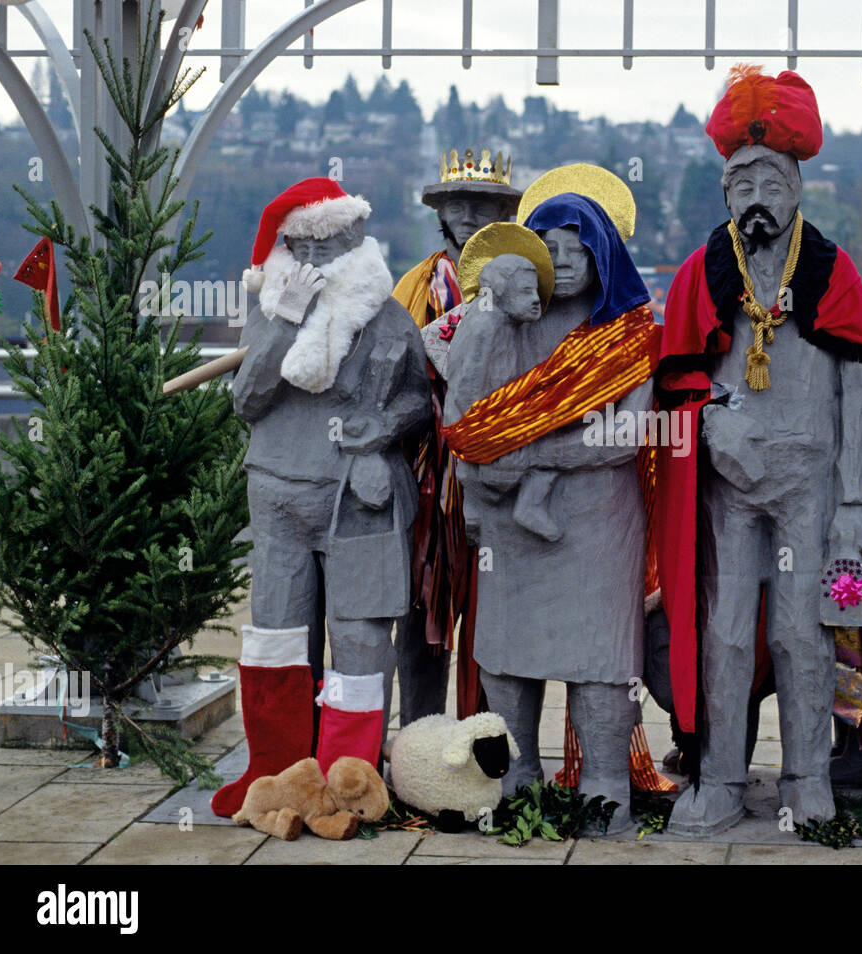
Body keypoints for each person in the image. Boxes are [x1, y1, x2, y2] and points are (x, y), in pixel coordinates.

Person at [654, 65, 862, 835]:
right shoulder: (704, 271)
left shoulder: (829, 269)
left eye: (769, 179)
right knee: (726, 631)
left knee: (804, 630)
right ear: (725, 192)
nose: (755, 195)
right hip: (732, 484)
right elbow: (678, 373)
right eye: (740, 181)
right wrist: (716, 425)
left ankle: (807, 779)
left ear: (796, 185)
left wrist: (854, 500)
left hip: (811, 486)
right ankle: (721, 778)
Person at [212, 177, 431, 817]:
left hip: (359, 501)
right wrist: (281, 321)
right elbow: (247, 400)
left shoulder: (388, 318)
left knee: (361, 637)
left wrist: (386, 426)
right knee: (280, 636)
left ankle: (351, 780)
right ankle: (279, 771)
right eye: (298, 249)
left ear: (355, 242)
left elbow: (421, 399)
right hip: (278, 493)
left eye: (325, 247)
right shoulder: (268, 313)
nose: (311, 262)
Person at [443, 193, 660, 832]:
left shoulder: (630, 334)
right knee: (509, 649)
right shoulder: (498, 323)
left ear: (606, 255)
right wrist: (489, 480)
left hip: (599, 521)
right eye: (549, 249)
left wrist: (531, 452)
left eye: (578, 248)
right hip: (509, 521)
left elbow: (627, 434)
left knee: (601, 655)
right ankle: (517, 776)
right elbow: (467, 419)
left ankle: (604, 783)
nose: (563, 262)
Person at [391, 148, 521, 725]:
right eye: (460, 202)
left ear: (505, 214)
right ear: (440, 211)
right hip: (428, 474)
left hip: (502, 471)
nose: (470, 213)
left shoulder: (525, 286)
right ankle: (418, 745)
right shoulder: (413, 285)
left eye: (486, 204)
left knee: (497, 619)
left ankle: (488, 753)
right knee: (421, 615)